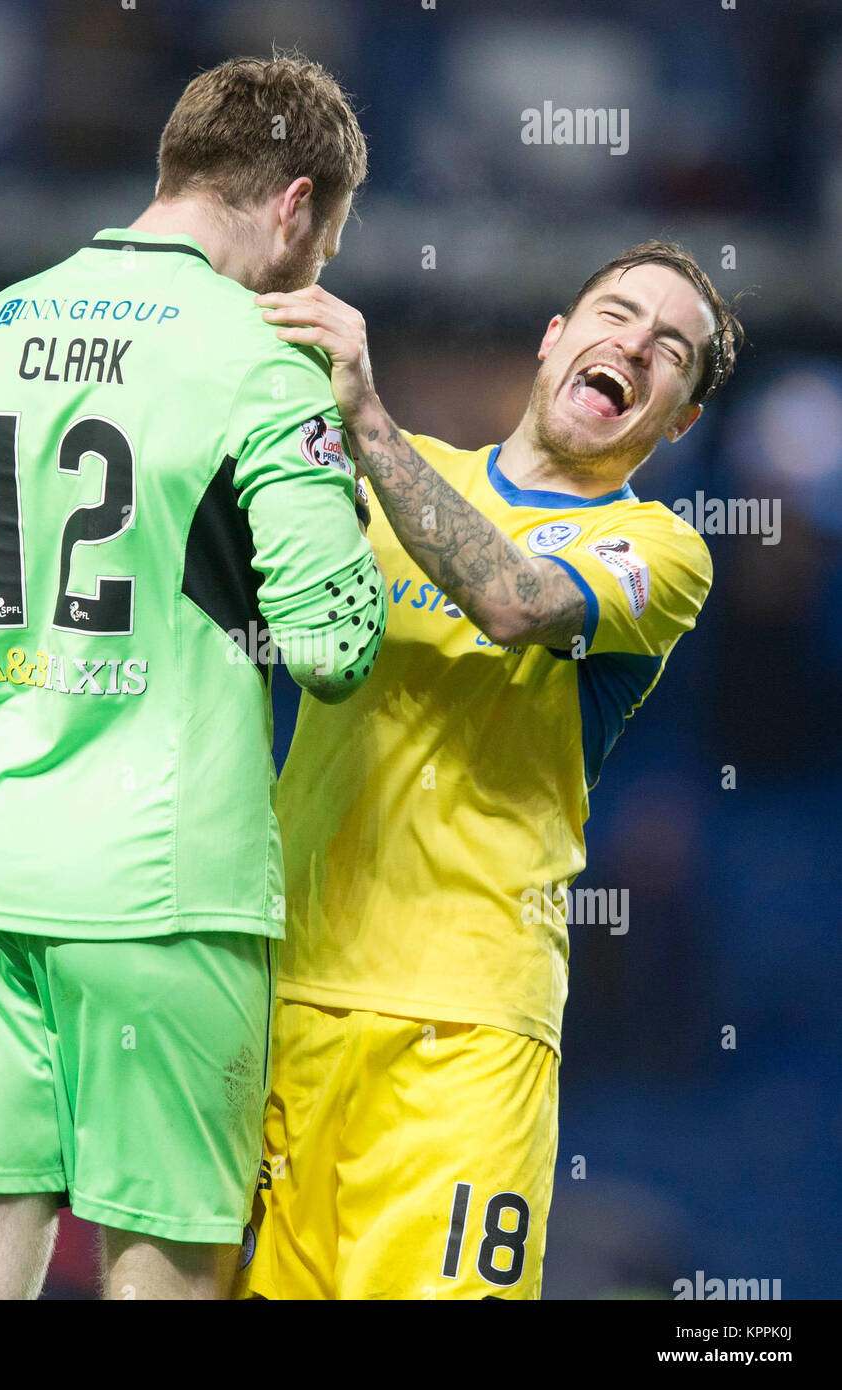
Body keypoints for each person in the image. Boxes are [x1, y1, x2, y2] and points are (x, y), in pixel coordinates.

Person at [0, 54, 385, 1302]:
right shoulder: (263, 362)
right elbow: (337, 649)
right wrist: (339, 463)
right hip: (169, 903)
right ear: (295, 204)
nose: (318, 276)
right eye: (327, 243)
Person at [239, 241, 743, 1299]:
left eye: (671, 352)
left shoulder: (659, 549)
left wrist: (363, 418)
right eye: (615, 314)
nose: (635, 347)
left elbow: (514, 600)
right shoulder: (378, 483)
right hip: (281, 995)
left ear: (678, 421)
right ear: (556, 337)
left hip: (466, 1030)